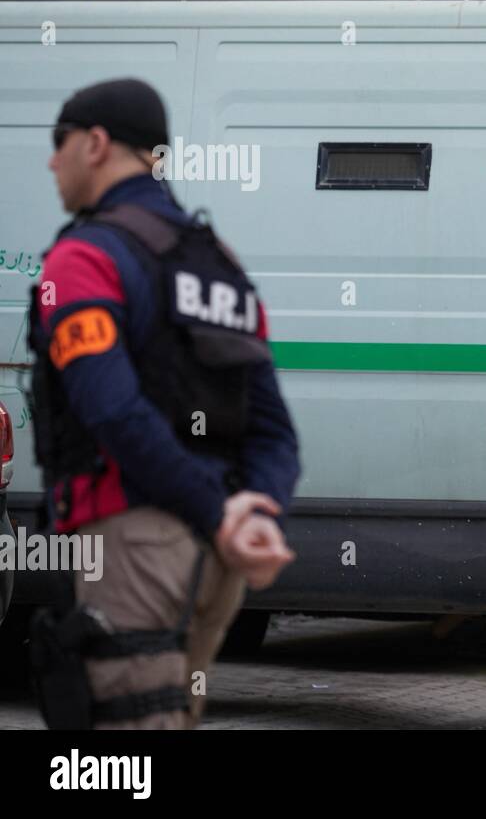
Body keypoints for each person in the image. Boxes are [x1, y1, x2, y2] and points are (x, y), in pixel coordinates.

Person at [28, 78, 299, 729]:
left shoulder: (82, 259)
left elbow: (113, 412)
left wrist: (217, 510)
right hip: (218, 560)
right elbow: (275, 435)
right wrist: (247, 514)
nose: (50, 161)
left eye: (57, 142)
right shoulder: (219, 265)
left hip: (134, 543)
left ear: (95, 144)